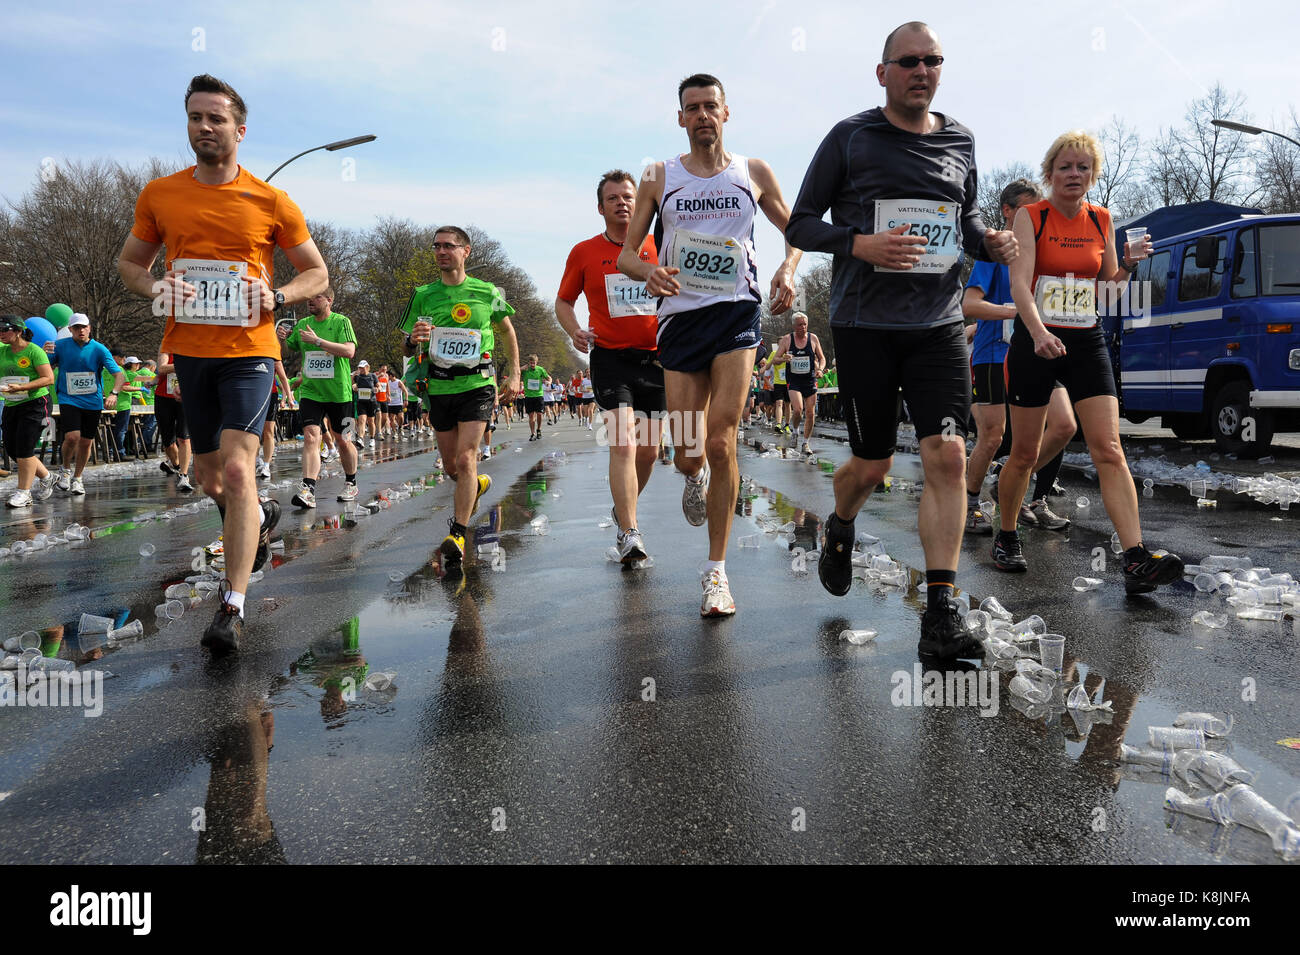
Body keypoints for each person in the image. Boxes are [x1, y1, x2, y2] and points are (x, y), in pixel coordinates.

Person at [785, 22, 1018, 659]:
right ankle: (840, 524)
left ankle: (940, 612)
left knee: (946, 455)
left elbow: (963, 218)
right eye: (909, 61)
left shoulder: (961, 138)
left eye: (933, 61)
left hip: (939, 322)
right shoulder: (850, 136)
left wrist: (987, 242)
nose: (922, 70)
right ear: (882, 71)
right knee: (874, 464)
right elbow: (801, 223)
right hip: (865, 324)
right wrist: (859, 242)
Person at [117, 73, 329, 653]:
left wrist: (279, 295)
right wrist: (156, 287)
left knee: (237, 471)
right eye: (195, 117)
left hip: (251, 352)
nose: (204, 127)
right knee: (209, 478)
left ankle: (232, 605)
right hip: (190, 351)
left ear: (239, 128)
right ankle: (256, 513)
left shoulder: (271, 200)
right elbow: (130, 265)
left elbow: (317, 272)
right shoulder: (160, 194)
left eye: (215, 118)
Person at [618, 73, 801, 616]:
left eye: (710, 106)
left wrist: (787, 269)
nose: (701, 115)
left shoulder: (754, 172)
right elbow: (629, 254)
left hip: (736, 315)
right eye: (691, 107)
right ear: (680, 118)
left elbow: (799, 232)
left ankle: (715, 573)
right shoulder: (659, 175)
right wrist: (649, 272)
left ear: (727, 113)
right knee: (688, 449)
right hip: (679, 319)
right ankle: (692, 474)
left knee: (722, 440)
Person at [994, 130, 1183, 594]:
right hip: (1035, 340)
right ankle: (1006, 535)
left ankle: (1135, 557)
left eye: (1082, 167)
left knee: (1109, 448)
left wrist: (1130, 264)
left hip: (1086, 339)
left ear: (1093, 174)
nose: (1074, 174)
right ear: (1050, 173)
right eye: (1065, 167)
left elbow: (1110, 291)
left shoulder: (1102, 219)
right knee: (1022, 452)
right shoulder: (1030, 216)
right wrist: (1038, 332)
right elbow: (1020, 285)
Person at [556, 169, 664, 562]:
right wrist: (574, 332)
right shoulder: (583, 252)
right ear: (600, 207)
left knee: (649, 452)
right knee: (624, 443)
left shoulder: (659, 243)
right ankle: (630, 532)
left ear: (641, 204)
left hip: (656, 360)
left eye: (629, 197)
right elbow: (563, 301)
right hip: (610, 358)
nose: (622, 203)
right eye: (614, 197)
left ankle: (623, 510)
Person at [400, 225, 520, 567]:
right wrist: (413, 340)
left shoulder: (487, 291)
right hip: (438, 386)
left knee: (467, 459)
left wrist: (514, 373)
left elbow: (508, 330)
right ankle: (476, 486)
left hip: (477, 385)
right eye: (436, 246)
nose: (441, 252)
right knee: (453, 468)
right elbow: (406, 343)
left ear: (465, 251)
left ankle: (458, 532)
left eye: (449, 246)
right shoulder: (423, 295)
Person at [962, 178, 1072, 535]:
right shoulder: (995, 251)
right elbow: (970, 304)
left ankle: (1019, 489)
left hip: (1039, 349)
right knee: (993, 436)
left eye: (1038, 210)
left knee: (1063, 426)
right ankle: (971, 502)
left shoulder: (1044, 250)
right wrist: (1016, 312)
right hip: (996, 352)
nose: (1034, 216)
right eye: (1026, 209)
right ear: (1008, 211)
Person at [278, 287, 359, 506]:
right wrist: (283, 339)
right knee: (312, 436)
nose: (310, 301)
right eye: (308, 298)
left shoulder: (341, 322)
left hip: (339, 392)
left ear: (329, 300)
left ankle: (351, 483)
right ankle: (308, 490)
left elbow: (349, 351)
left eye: (317, 297)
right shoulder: (303, 324)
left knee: (343, 440)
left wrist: (318, 342)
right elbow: (286, 353)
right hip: (311, 392)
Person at [46, 312, 124, 496]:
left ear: (89, 328)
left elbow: (118, 375)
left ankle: (78, 478)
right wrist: (44, 353)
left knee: (86, 442)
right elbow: (45, 368)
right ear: (70, 329)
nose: (81, 330)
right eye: (76, 327)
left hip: (92, 400)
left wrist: (114, 393)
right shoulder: (59, 346)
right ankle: (65, 469)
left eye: (84, 327)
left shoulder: (99, 349)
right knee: (72, 437)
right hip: (68, 397)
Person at [0, 315, 57, 507]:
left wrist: (22, 387)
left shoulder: (34, 351)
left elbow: (48, 378)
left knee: (25, 448)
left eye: (4, 329)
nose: (1, 334)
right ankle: (47, 476)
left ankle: (24, 493)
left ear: (18, 331)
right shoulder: (3, 350)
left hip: (35, 402)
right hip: (12, 403)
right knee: (13, 449)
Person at [762, 312, 825, 454]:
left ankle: (805, 443)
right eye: (799, 325)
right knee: (798, 410)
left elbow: (822, 358)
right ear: (794, 326)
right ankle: (795, 431)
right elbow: (775, 360)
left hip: (809, 380)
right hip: (794, 381)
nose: (803, 327)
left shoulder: (813, 338)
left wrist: (820, 369)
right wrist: (784, 358)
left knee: (810, 413)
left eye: (805, 324)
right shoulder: (786, 339)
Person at [155, 349, 194, 492]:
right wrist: (186, 364)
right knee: (168, 443)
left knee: (184, 438)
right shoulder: (167, 347)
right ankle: (178, 467)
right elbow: (162, 368)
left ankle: (184, 475)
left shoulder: (193, 347)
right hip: (163, 398)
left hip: (186, 397)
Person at [255, 359, 292, 480]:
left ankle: (266, 465)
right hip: (253, 395)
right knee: (253, 432)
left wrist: (289, 398)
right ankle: (255, 460)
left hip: (270, 396)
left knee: (268, 431)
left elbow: (283, 378)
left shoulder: (273, 356)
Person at [521, 355, 548, 440]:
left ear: (537, 362)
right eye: (531, 363)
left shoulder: (540, 369)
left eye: (534, 363)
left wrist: (549, 382)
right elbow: (515, 371)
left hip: (538, 395)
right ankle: (533, 433)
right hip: (529, 396)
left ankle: (539, 429)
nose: (533, 365)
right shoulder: (525, 370)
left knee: (539, 414)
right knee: (531, 416)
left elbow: (548, 377)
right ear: (528, 362)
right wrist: (522, 368)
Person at [353, 360, 378, 447]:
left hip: (371, 401)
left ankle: (372, 438)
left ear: (367, 367)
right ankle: (360, 438)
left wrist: (377, 389)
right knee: (362, 420)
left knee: (371, 421)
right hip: (361, 401)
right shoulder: (357, 377)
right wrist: (354, 387)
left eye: (362, 368)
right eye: (359, 368)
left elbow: (378, 386)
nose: (361, 370)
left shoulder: (372, 376)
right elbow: (354, 385)